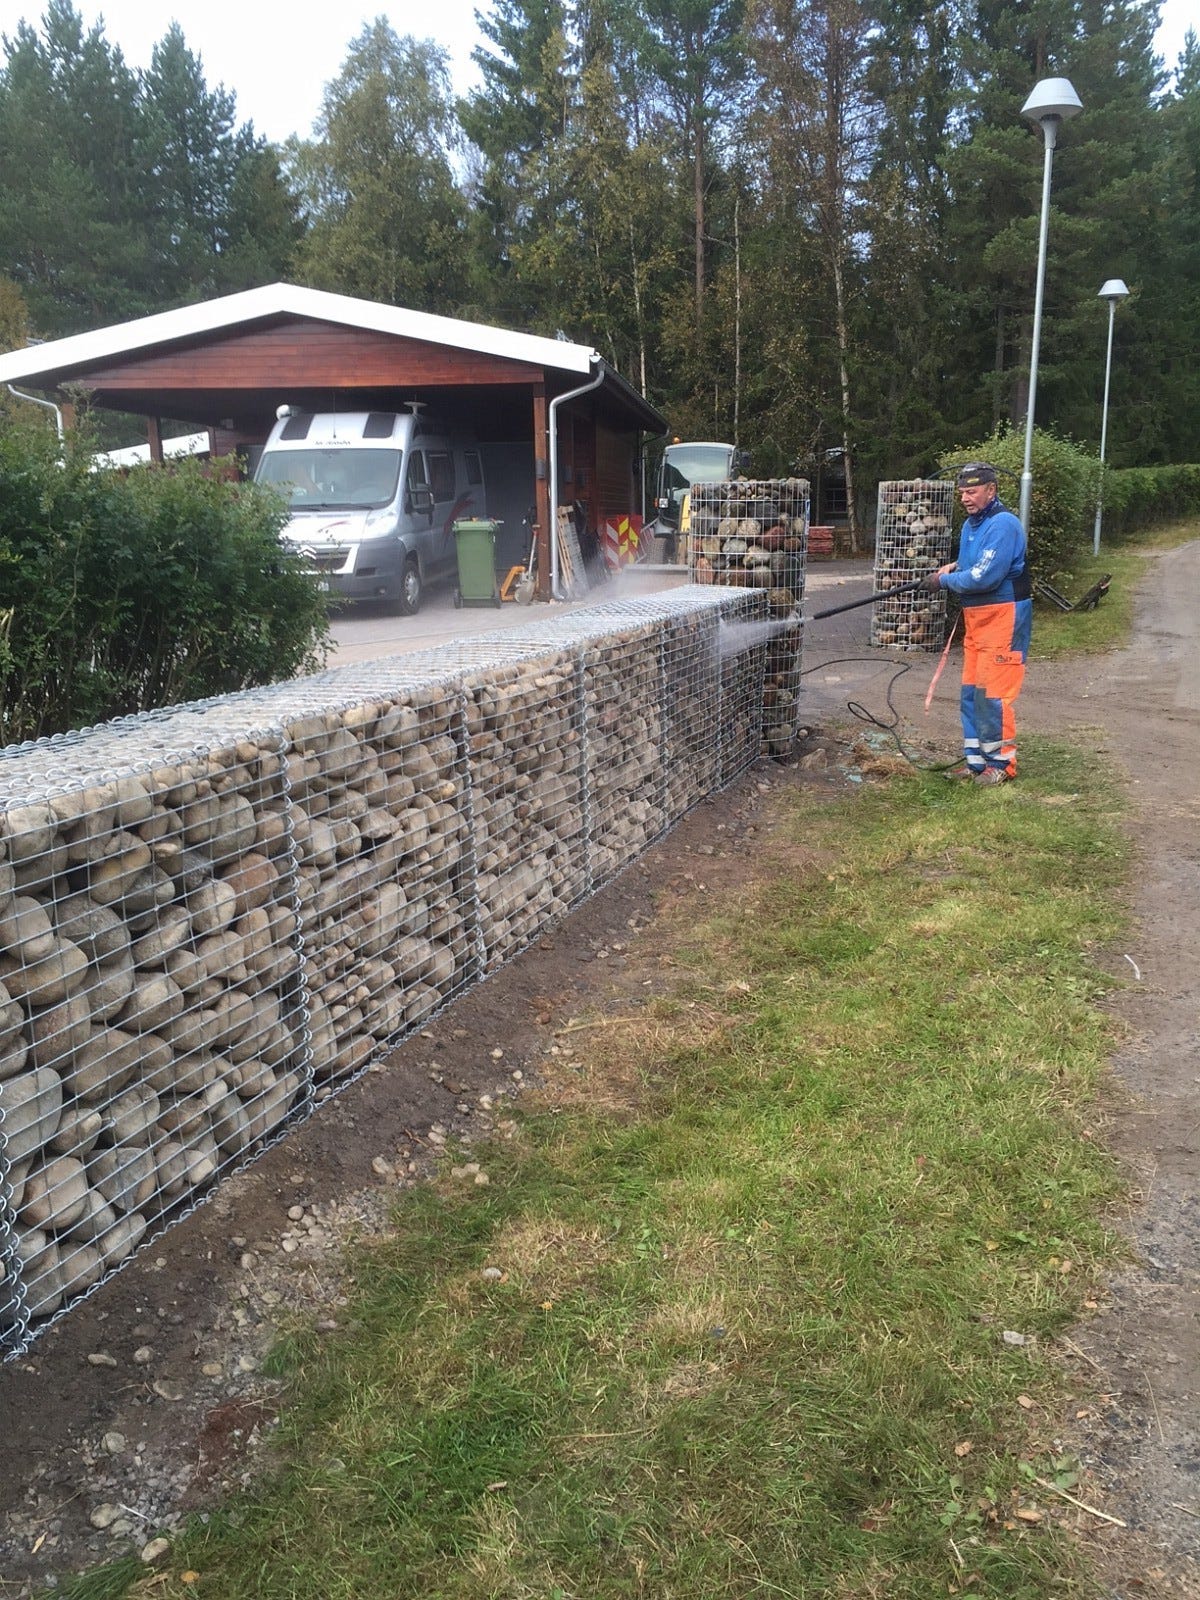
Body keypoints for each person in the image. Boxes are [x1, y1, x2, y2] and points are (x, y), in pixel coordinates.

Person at [921, 463, 1032, 786]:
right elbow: (974, 562)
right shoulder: (972, 525)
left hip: (1004, 618)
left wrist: (943, 582)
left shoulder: (1004, 524)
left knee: (993, 695)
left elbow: (985, 576)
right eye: (962, 493)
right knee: (971, 693)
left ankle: (1000, 764)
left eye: (972, 491)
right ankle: (975, 762)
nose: (965, 498)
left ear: (991, 490)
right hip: (977, 621)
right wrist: (953, 568)